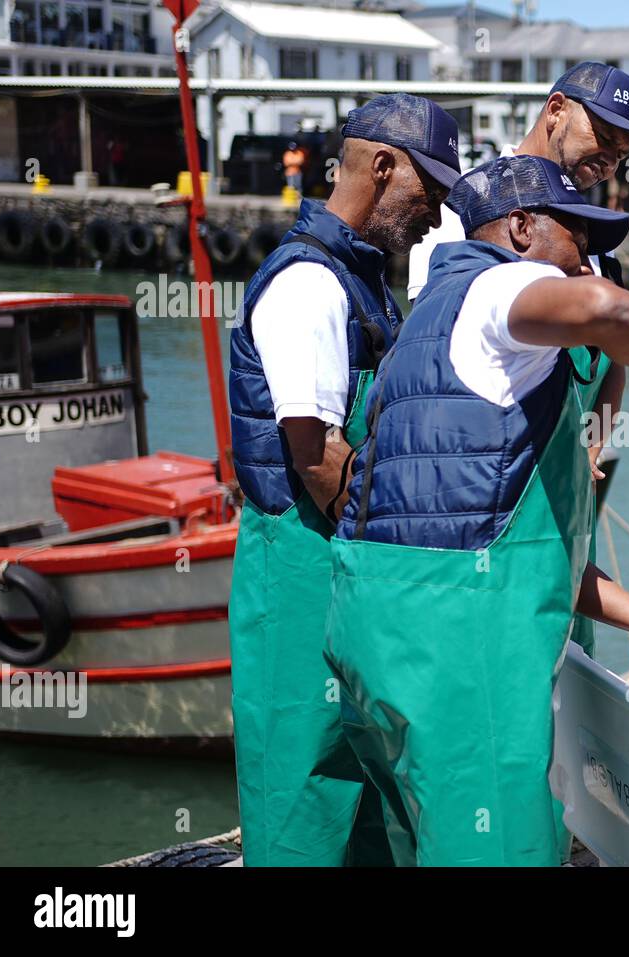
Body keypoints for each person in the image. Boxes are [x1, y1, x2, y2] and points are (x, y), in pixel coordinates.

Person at [323, 155, 629, 866]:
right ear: (521, 228)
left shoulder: (426, 321)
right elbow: (606, 311)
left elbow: (527, 555)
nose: (589, 261)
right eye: (577, 238)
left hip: (378, 636)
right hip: (459, 658)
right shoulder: (503, 284)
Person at [227, 94, 461, 866]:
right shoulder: (310, 285)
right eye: (428, 194)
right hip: (302, 574)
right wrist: (403, 559)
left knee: (362, 788)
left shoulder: (357, 279)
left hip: (337, 569)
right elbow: (315, 454)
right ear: (383, 166)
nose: (433, 217)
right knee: (303, 791)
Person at [405, 60, 629, 628]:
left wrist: (592, 446)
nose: (609, 158)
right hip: (482, 499)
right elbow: (430, 356)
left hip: (563, 495)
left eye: (622, 152)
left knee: (563, 646)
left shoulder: (598, 249)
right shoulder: (465, 214)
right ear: (555, 110)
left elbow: (614, 367)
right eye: (603, 135)